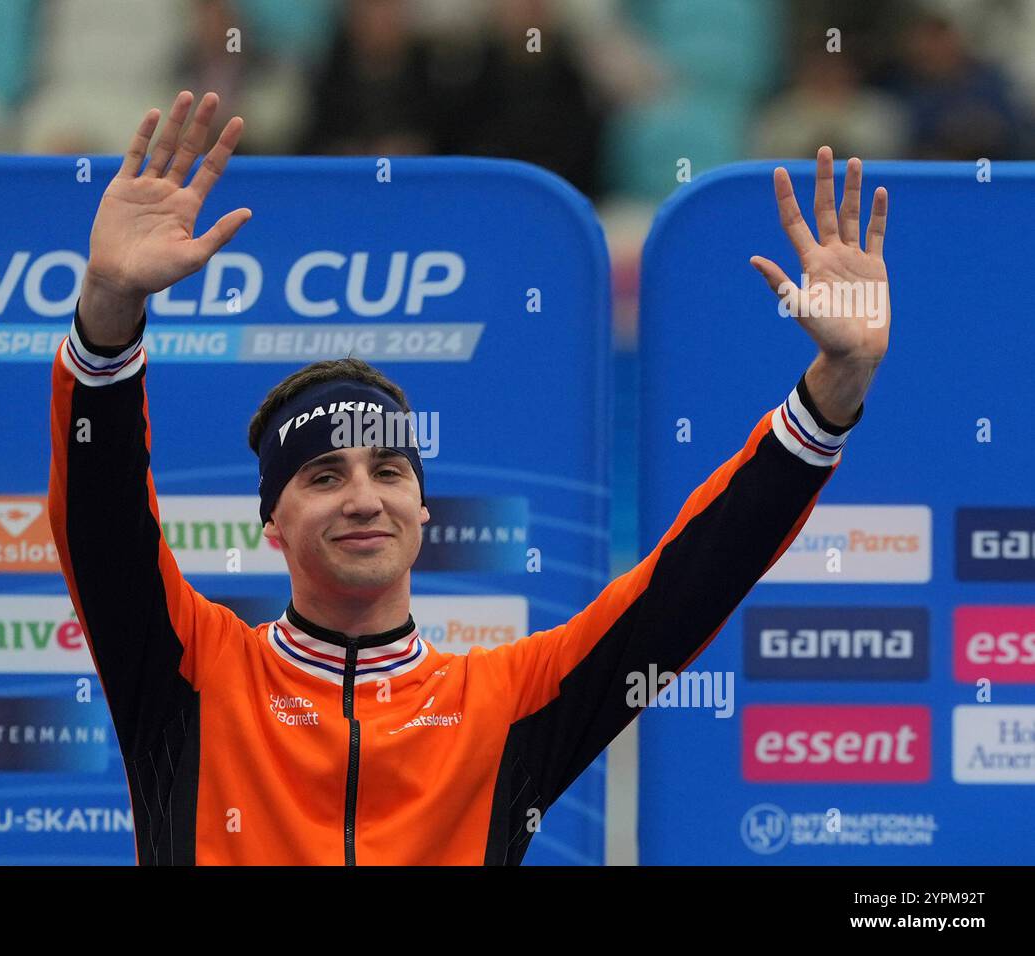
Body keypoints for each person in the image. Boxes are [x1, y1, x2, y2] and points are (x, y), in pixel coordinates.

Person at [47, 90, 890, 865]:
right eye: (324, 476)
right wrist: (110, 307)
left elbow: (697, 577)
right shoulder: (194, 672)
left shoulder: (505, 703)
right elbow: (102, 517)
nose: (364, 496)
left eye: (387, 468)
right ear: (272, 523)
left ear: (423, 510)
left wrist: (837, 386)